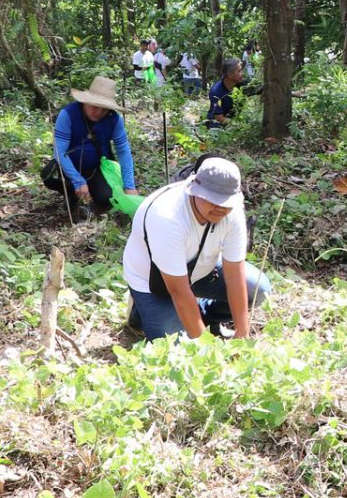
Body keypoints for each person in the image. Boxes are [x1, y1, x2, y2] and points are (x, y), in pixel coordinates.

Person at [122, 156, 270, 340]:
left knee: (258, 289)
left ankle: (205, 317)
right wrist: (204, 349)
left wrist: (242, 334)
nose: (220, 208)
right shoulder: (167, 218)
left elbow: (234, 275)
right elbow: (178, 290)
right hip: (154, 281)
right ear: (195, 191)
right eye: (213, 201)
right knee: (176, 348)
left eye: (226, 202)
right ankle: (140, 311)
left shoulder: (233, 211)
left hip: (199, 268)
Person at [47, 77, 139, 217]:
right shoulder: (68, 115)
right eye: (95, 107)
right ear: (86, 101)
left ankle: (90, 192)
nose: (99, 112)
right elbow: (60, 152)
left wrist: (129, 186)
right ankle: (71, 194)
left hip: (95, 167)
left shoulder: (114, 119)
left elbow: (123, 151)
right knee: (48, 176)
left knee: (105, 198)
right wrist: (78, 181)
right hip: (68, 166)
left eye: (104, 109)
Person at [207, 57, 245, 127]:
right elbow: (219, 118)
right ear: (230, 74)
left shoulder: (243, 85)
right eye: (239, 71)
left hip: (234, 121)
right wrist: (239, 125)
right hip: (218, 126)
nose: (242, 74)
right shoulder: (216, 91)